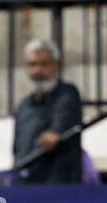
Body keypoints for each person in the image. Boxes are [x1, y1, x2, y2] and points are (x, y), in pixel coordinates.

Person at [12, 38, 83, 185]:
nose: (38, 70)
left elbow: (62, 124)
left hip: (58, 189)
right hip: (25, 188)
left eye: (44, 64)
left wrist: (55, 133)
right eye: (32, 64)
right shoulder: (24, 105)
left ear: (56, 67)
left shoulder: (67, 93)